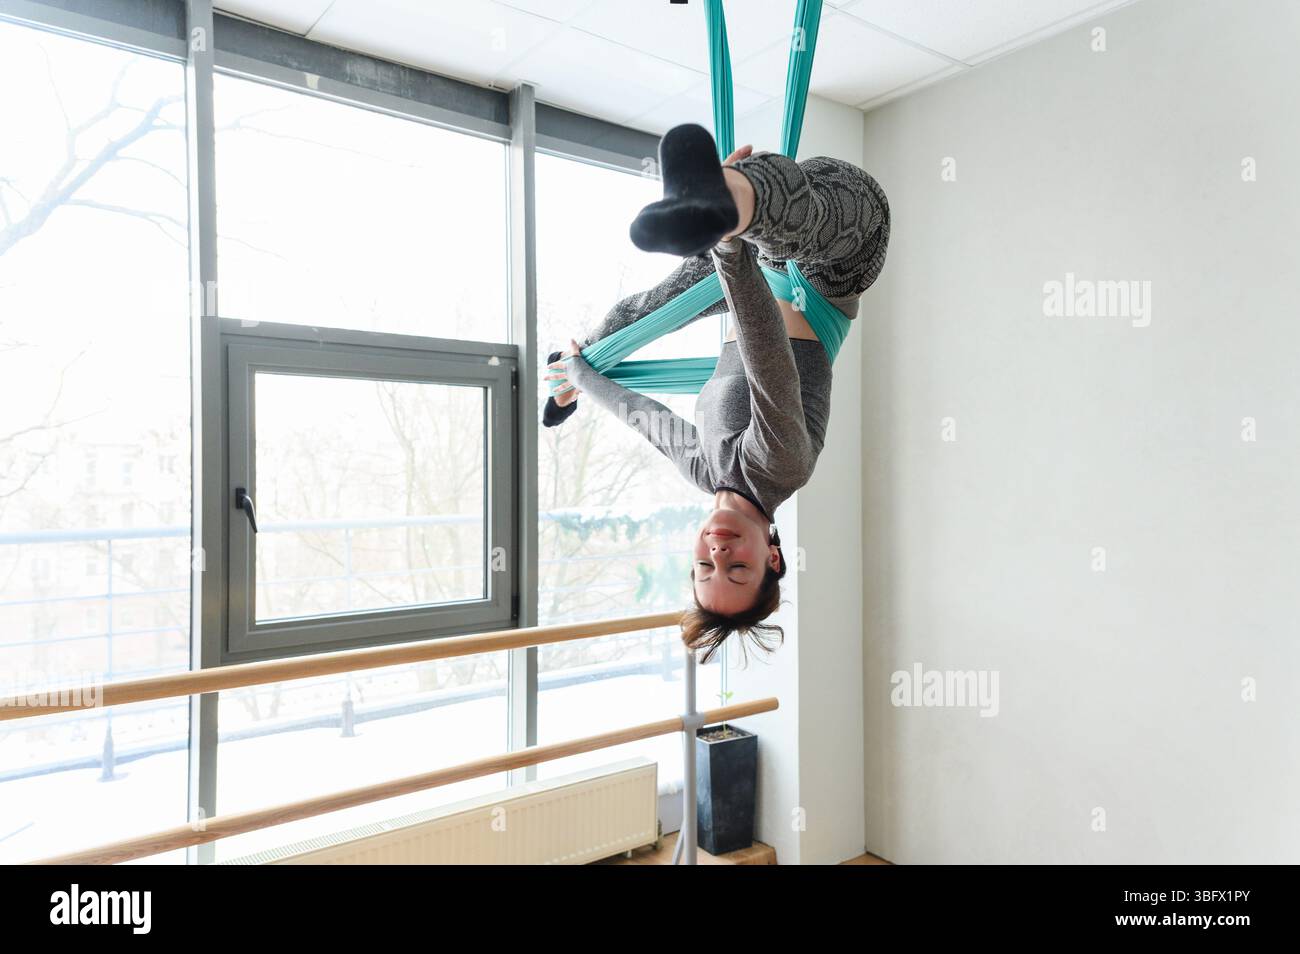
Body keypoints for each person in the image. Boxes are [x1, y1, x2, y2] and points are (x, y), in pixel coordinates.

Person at [544, 123, 889, 663]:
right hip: (834, 260)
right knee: (791, 221)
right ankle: (732, 200)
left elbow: (645, 418)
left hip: (751, 272)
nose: (718, 551)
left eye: (705, 566)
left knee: (633, 319)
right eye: (738, 567)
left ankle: (561, 377)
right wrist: (728, 248)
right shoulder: (780, 468)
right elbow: (764, 349)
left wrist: (583, 379)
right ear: (773, 558)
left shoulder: (707, 471)